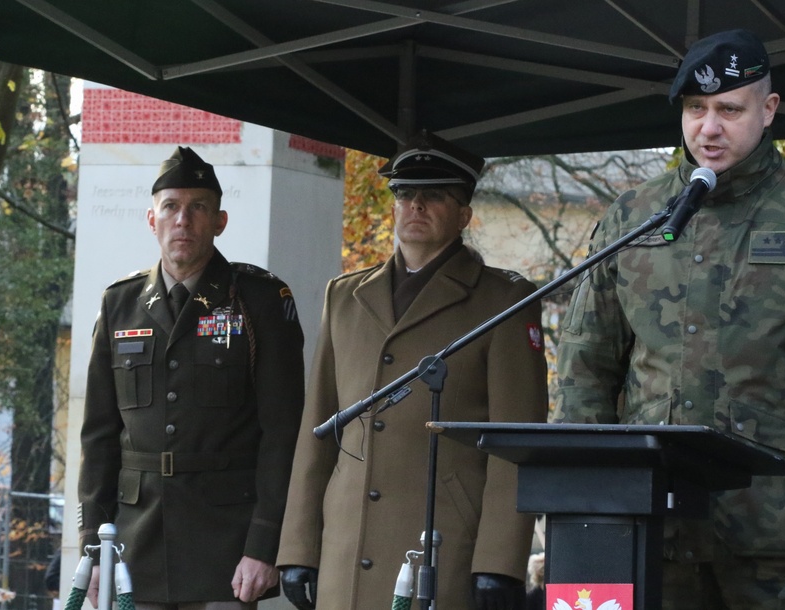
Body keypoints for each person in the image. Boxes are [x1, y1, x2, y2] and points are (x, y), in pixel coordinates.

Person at [553, 29, 785, 609]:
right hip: (653, 522)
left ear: (768, 111)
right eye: (696, 109)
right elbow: (585, 369)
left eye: (728, 109)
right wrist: (587, 505)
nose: (709, 128)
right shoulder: (636, 215)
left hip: (780, 532)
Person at [276, 131, 549, 610]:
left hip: (441, 547)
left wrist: (498, 563)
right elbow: (316, 430)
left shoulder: (503, 301)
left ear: (464, 214)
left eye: (434, 196)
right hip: (345, 546)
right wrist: (299, 547)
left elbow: (516, 444)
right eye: (405, 194)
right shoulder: (344, 296)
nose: (415, 206)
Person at [77, 147, 306, 609]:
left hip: (224, 545)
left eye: (198, 208)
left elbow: (284, 434)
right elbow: (99, 436)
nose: (183, 220)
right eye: (171, 207)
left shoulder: (259, 300)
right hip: (133, 546)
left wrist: (264, 545)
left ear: (219, 221)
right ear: (151, 219)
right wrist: (92, 547)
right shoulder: (119, 304)